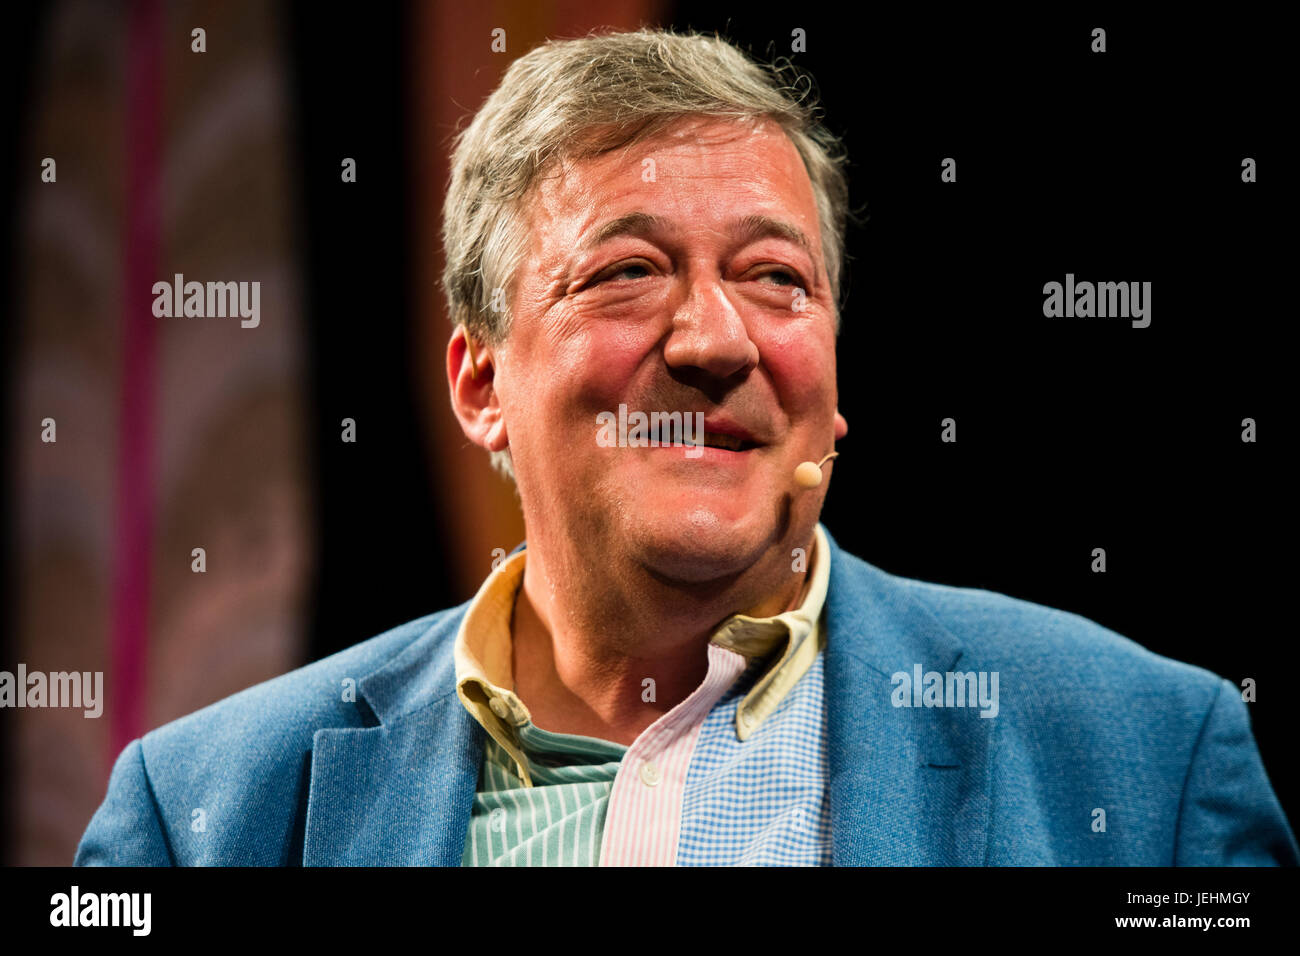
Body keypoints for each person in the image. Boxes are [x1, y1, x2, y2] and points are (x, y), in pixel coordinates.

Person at [77, 28, 1296, 866]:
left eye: (775, 277)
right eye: (626, 273)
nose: (715, 339)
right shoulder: (204, 814)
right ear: (480, 380)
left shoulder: (1146, 761)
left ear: (833, 384)